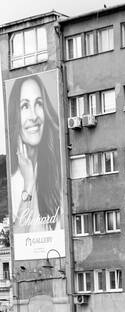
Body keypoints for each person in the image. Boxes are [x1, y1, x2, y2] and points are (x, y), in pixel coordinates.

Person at [7, 74, 62, 234]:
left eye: (38, 104)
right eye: (24, 106)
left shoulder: (56, 172)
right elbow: (16, 242)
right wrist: (29, 184)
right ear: (14, 115)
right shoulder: (12, 180)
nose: (34, 116)